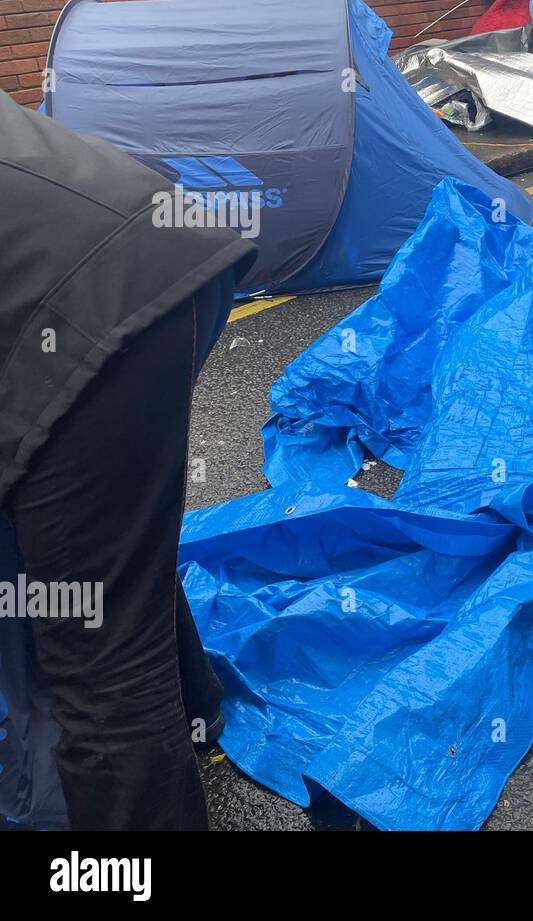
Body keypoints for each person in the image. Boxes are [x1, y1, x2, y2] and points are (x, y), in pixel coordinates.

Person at [0, 90, 255, 829]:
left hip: (93, 301)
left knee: (102, 666)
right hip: (155, 254)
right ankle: (199, 708)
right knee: (106, 552)